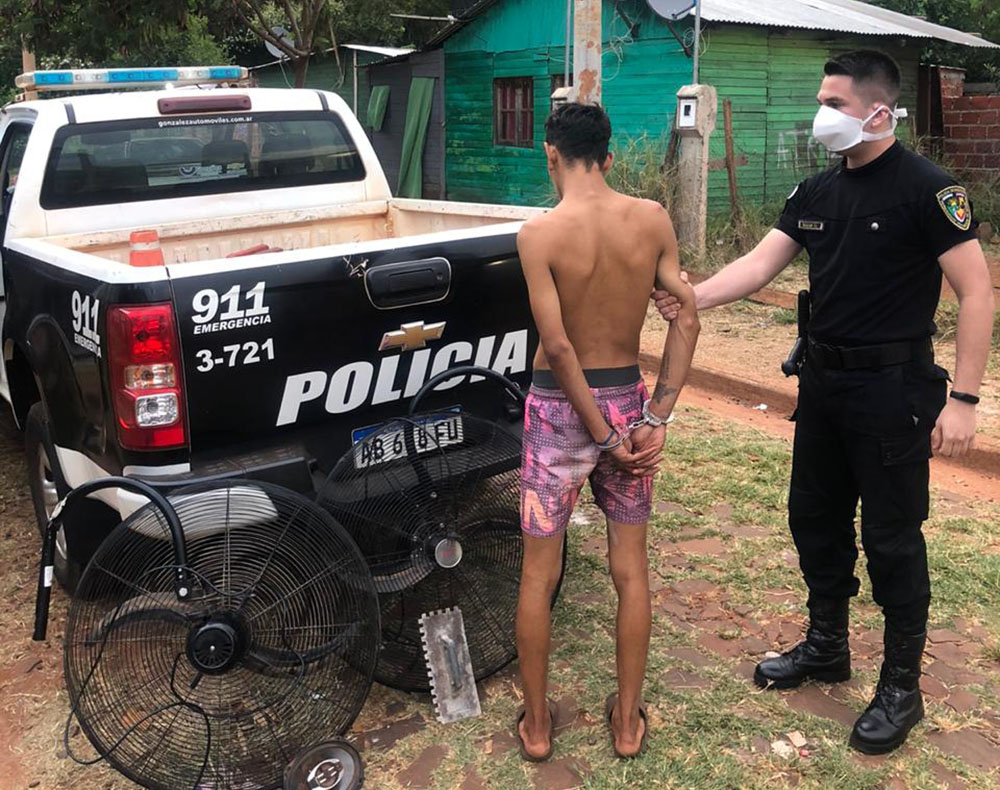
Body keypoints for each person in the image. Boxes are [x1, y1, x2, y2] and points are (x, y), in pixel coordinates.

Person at [654, 50, 995, 755]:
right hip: (823, 386)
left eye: (832, 103)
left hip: (894, 392)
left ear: (878, 112)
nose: (820, 114)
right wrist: (692, 296)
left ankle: (901, 686)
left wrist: (963, 399)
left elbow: (977, 292)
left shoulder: (929, 190)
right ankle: (827, 645)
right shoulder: (816, 191)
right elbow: (759, 264)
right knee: (814, 518)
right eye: (821, 101)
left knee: (892, 538)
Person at [515, 102, 700, 761]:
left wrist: (599, 436)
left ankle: (538, 728)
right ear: (610, 157)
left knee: (539, 574)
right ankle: (626, 724)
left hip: (557, 411)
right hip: (627, 403)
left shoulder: (538, 235)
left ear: (551, 155)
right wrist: (654, 418)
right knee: (630, 569)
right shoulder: (650, 219)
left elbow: (558, 347)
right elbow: (687, 317)